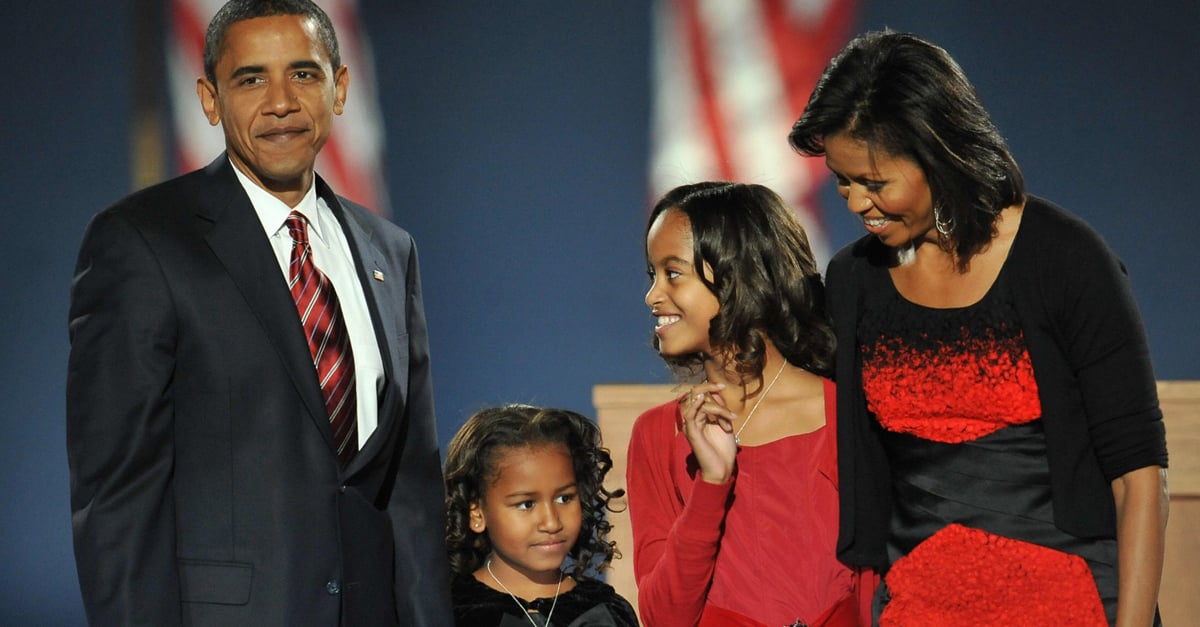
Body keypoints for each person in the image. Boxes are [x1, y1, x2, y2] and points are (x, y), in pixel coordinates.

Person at [65, 1, 451, 624]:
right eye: (250, 79)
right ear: (210, 99)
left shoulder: (390, 251)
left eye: (303, 74)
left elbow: (411, 489)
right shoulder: (142, 242)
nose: (281, 101)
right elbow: (118, 498)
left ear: (340, 87)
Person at [788, 30, 1169, 626]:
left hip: (1073, 604)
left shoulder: (1065, 259)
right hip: (919, 608)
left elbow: (1139, 479)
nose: (855, 201)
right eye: (842, 179)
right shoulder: (854, 282)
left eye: (875, 181)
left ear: (936, 151)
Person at [629, 182, 876, 627]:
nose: (653, 296)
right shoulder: (656, 436)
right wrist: (712, 482)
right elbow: (664, 617)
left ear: (737, 276)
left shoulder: (848, 415)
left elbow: (878, 593)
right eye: (652, 275)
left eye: (673, 273)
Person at [443, 404, 639, 627]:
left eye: (564, 499)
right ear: (476, 512)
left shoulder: (608, 611)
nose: (551, 522)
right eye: (526, 504)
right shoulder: (446, 611)